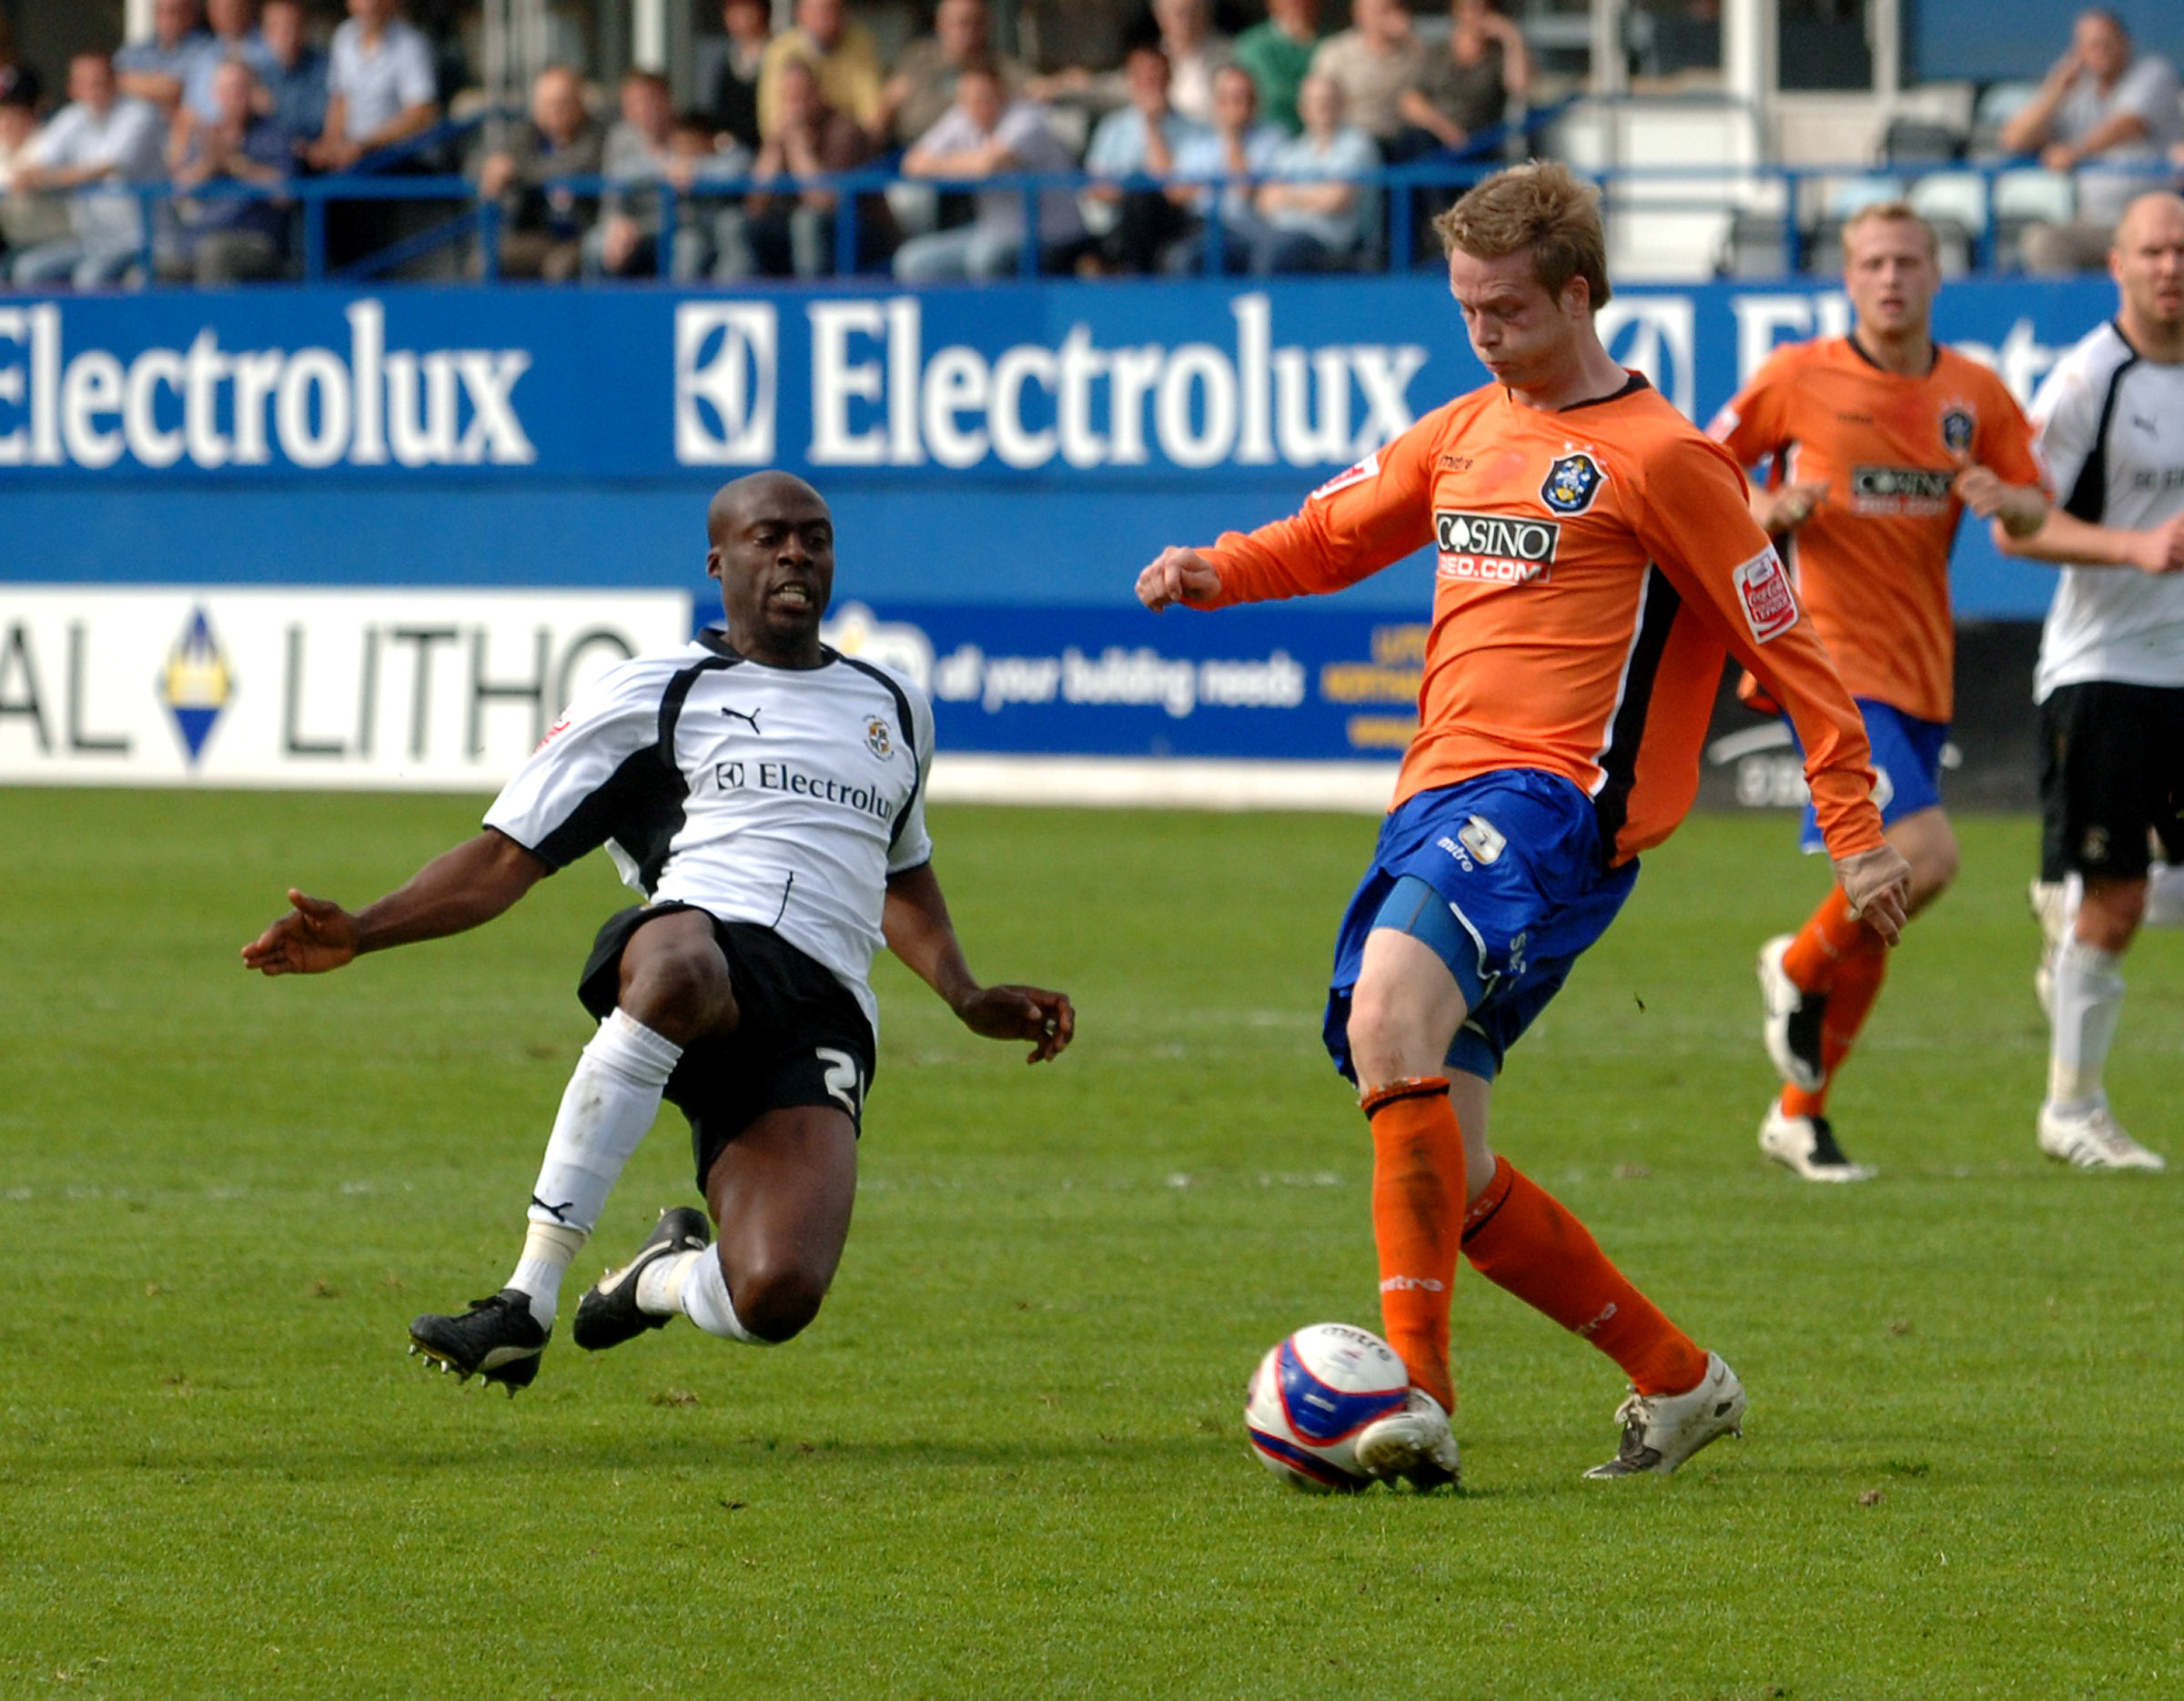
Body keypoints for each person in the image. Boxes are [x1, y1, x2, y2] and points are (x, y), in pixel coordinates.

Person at [1134, 162, 1909, 1486]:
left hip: (1554, 809)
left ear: (1580, 294)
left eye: (1507, 311)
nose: (1484, 334)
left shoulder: (1666, 459)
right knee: (1454, 1152)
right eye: (1466, 309)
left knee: (1391, 1019)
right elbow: (1332, 535)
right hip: (1435, 794)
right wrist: (1221, 570)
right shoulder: (1464, 430)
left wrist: (1854, 824)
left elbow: (1786, 647)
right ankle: (1678, 1380)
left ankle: (1417, 1400)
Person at [241, 472, 1076, 1392]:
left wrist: (965, 993)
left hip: (820, 1008)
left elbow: (900, 865)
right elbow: (501, 859)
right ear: (719, 560)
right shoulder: (653, 693)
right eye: (769, 537)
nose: (796, 552)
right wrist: (363, 928)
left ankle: (659, 1279)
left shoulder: (894, 705)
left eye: (815, 537)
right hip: (703, 952)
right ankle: (528, 1297)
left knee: (778, 1295)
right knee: (677, 965)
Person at [1708, 204, 2048, 1181]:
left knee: (1885, 900)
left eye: (1908, 261)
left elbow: (2032, 501)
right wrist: (1767, 508)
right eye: (1872, 263)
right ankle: (1796, 966)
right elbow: (1694, 473)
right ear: (1848, 279)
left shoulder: (1972, 391)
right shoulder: (1795, 375)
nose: (1891, 278)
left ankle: (1799, 1115)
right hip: (1827, 663)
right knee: (1926, 858)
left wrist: (2007, 501)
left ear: (1937, 274)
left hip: (1919, 668)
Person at [1997, 192, 2184, 1171]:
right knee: (2115, 897)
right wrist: (2133, 546)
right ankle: (2072, 1109)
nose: (2170, 266)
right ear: (2119, 264)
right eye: (2153, 250)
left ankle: (2061, 916)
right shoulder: (2090, 380)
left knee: (2144, 897)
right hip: (2106, 671)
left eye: (2182, 250)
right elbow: (2015, 522)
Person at [1998, 9, 2182, 275]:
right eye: (2090, 45)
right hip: (2098, 224)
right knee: (2042, 242)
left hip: (2155, 221)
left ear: (2125, 43)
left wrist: (2076, 151)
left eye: (2107, 42)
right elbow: (2014, 139)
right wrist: (2055, 90)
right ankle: (2068, 315)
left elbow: (2128, 123)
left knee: (2157, 252)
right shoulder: (2077, 88)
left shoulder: (2153, 73)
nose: (2100, 51)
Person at [892, 65, 1082, 283]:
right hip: (992, 231)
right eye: (971, 99)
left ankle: (997, 318)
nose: (979, 106)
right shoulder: (961, 117)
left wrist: (944, 165)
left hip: (1051, 234)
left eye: (986, 98)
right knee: (912, 262)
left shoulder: (1027, 118)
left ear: (1002, 94)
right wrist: (970, 164)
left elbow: (988, 166)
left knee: (984, 260)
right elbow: (912, 165)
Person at [713, 57, 888, 280]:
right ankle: (732, 300)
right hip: (795, 230)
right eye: (788, 97)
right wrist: (773, 151)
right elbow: (755, 206)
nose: (795, 104)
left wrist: (799, 149)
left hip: (857, 230)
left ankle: (807, 298)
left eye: (802, 94)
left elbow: (825, 202)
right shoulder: (778, 134)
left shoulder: (844, 131)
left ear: (817, 93)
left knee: (806, 221)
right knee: (733, 222)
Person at [8, 53, 167, 289]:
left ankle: (105, 328)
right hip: (93, 241)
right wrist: (36, 175)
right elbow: (31, 167)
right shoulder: (72, 118)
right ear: (72, 88)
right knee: (29, 270)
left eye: (100, 81)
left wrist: (50, 178)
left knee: (90, 277)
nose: (94, 89)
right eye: (85, 83)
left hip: (144, 240)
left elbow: (105, 167)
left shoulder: (140, 114)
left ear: (115, 82)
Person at [592, 71, 744, 281]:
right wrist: (617, 223)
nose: (646, 110)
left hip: (685, 226)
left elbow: (738, 163)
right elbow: (616, 181)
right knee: (595, 244)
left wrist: (696, 169)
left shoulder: (692, 129)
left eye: (651, 100)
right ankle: (601, 312)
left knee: (689, 248)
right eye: (636, 103)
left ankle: (675, 309)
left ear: (669, 101)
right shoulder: (620, 139)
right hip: (638, 227)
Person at [162, 56, 296, 283]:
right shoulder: (206, 136)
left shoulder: (274, 134)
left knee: (214, 255)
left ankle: (211, 320)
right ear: (215, 94)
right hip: (197, 238)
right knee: (151, 268)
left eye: (239, 89)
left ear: (253, 92)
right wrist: (209, 165)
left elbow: (285, 194)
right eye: (226, 89)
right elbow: (178, 195)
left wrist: (236, 165)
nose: (233, 96)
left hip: (255, 240)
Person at [474, 63, 605, 283]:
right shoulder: (526, 135)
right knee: (484, 263)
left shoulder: (597, 136)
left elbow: (573, 168)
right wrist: (493, 165)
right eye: (547, 104)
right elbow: (485, 160)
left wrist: (517, 169)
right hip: (539, 234)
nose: (555, 111)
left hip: (583, 234)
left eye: (562, 102)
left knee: (559, 268)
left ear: (579, 104)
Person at [1083, 45, 1208, 275]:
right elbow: (1096, 187)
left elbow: (1176, 188)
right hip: (1120, 223)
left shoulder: (1194, 130)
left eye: (1156, 74)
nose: (1150, 82)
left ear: (1169, 77)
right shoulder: (1112, 129)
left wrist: (1152, 127)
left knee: (1145, 196)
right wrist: (1133, 189)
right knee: (1139, 194)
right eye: (1142, 75)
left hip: (1175, 223)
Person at [1162, 63, 1286, 274]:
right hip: (1199, 227)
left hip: (1245, 232)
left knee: (1186, 259)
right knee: (1176, 256)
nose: (1237, 105)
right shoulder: (1199, 142)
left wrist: (1232, 137)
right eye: (1228, 98)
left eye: (1244, 97)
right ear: (1217, 103)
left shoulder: (1272, 139)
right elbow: (1176, 192)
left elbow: (1244, 190)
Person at [1252, 72, 1378, 272]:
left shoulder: (1358, 144)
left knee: (1276, 254)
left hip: (1335, 244)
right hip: (1281, 235)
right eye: (1315, 101)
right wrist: (1313, 196)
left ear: (1342, 105)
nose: (1322, 107)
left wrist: (1287, 197)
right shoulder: (1290, 151)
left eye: (1329, 100)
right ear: (1303, 108)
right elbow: (1264, 202)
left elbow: (1336, 201)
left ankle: (1265, 302)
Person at [308, 0, 438, 173]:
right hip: (355, 163)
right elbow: (339, 100)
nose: (370, 5)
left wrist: (364, 145)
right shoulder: (343, 37)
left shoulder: (411, 44)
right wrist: (331, 146)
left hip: (400, 162)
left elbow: (421, 114)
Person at [879, 0, 1027, 151]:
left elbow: (1034, 89)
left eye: (978, 23)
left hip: (971, 154)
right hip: (910, 150)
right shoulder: (919, 58)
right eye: (963, 23)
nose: (970, 32)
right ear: (941, 24)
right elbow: (887, 105)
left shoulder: (999, 65)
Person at [1397, 0, 1531, 157]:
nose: (1477, 16)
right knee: (1413, 141)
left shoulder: (1498, 57)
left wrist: (1512, 38)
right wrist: (1448, 131)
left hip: (1481, 140)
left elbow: (1519, 87)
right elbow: (1411, 102)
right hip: (1436, 136)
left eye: (1485, 10)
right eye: (1470, 9)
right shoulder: (1438, 53)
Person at [755, 0, 884, 145]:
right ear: (800, 13)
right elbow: (770, 120)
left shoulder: (861, 44)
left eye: (833, 9)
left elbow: (872, 111)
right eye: (818, 10)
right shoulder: (779, 50)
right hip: (792, 136)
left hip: (844, 138)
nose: (826, 16)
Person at [1308, 0, 1426, 154]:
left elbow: (1433, 85)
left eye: (1392, 8)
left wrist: (1410, 37)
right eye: (1379, 10)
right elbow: (1317, 99)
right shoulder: (1335, 52)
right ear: (1358, 14)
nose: (1387, 16)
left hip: (1402, 139)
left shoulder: (1414, 51)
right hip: (1353, 141)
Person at [1235, 0, 1323, 136]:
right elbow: (1272, 94)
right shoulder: (1253, 45)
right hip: (1270, 139)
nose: (1300, 4)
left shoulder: (1331, 44)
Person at [116, 0, 217, 116]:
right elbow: (110, 79)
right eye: (160, 12)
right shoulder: (139, 50)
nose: (166, 19)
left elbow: (176, 89)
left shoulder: (205, 48)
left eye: (173, 12)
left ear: (191, 14)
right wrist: (159, 88)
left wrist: (130, 83)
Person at [183, 0, 275, 127]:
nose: (226, 13)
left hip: (256, 135)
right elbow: (189, 110)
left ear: (247, 6)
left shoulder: (271, 50)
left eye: (232, 7)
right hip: (208, 136)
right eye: (218, 8)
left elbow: (271, 104)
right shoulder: (203, 55)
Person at [257, 0, 330, 145]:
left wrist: (274, 109)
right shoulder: (262, 73)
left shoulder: (324, 68)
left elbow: (316, 124)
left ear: (304, 28)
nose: (286, 35)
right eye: (276, 27)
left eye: (292, 25)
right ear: (265, 33)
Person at [707, 0, 770, 152]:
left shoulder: (777, 55)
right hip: (731, 147)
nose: (738, 19)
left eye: (745, 12)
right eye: (732, 13)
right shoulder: (726, 60)